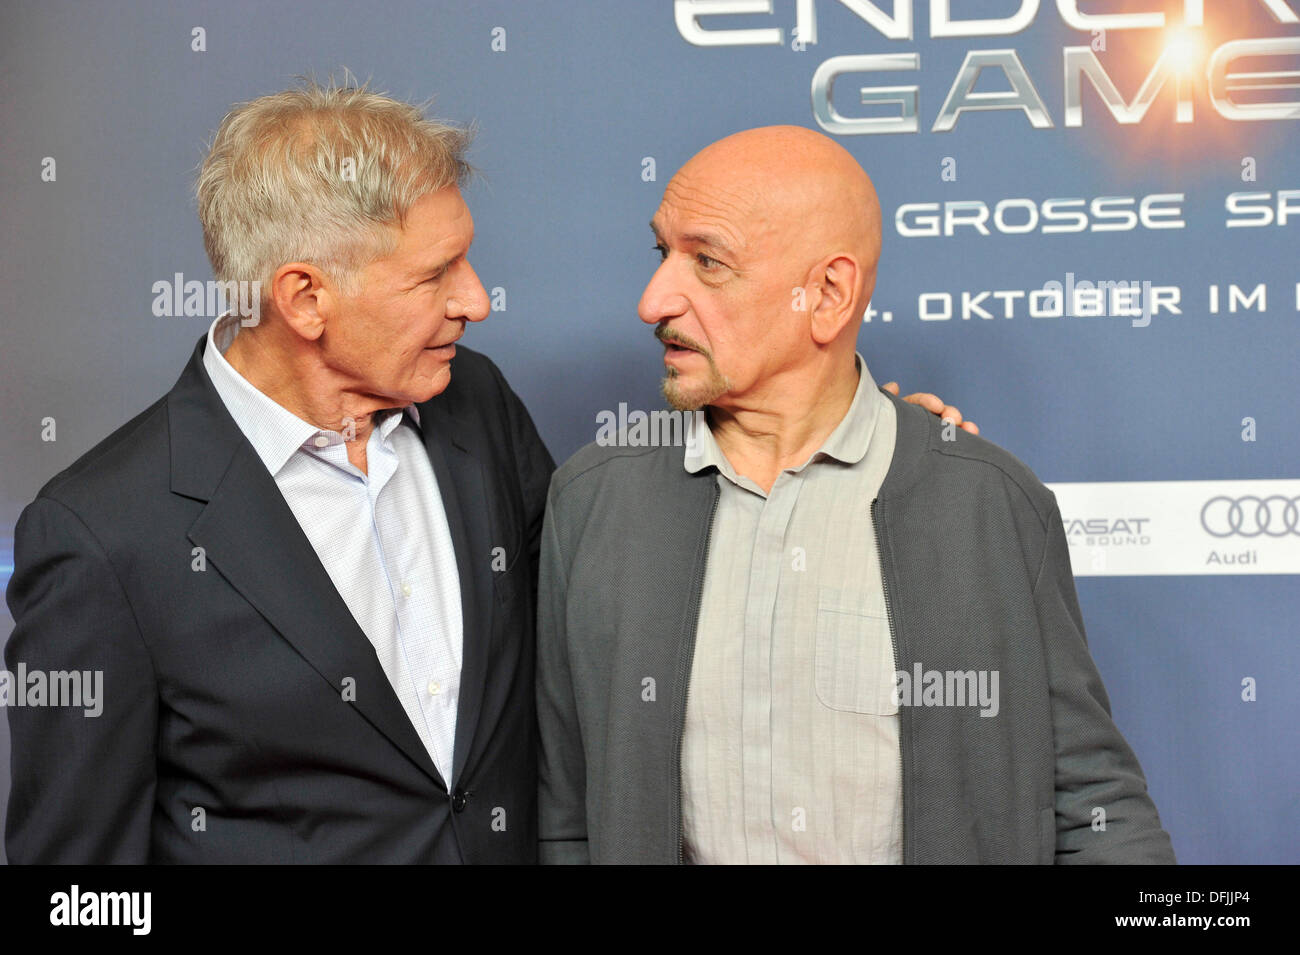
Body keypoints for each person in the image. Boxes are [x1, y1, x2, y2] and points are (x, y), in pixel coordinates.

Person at [4, 84, 965, 864]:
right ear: (303, 298)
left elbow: (603, 580)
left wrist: (835, 431)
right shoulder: (104, 536)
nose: (476, 299)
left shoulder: (474, 404)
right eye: (436, 275)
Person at [535, 126, 1176, 864]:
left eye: (708, 262)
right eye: (662, 253)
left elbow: (1093, 808)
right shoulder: (592, 503)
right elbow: (565, 820)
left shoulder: (988, 503)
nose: (653, 301)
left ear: (829, 294)